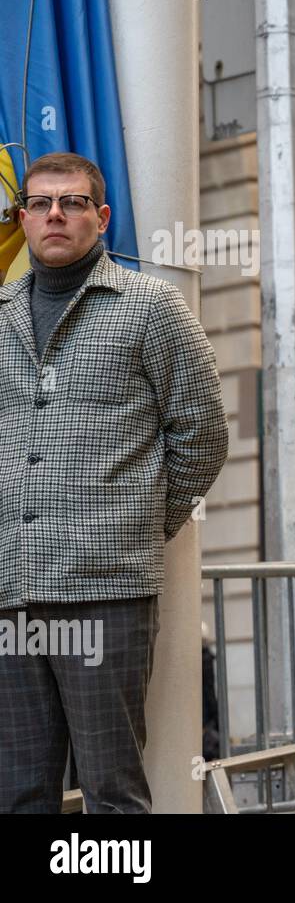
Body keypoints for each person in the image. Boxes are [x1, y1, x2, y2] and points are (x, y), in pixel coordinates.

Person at [0, 151, 229, 812]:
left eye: (71, 203)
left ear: (100, 218)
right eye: (40, 204)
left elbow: (202, 435)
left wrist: (134, 523)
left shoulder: (152, 307)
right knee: (18, 792)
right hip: (9, 589)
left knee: (111, 788)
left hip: (104, 588)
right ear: (23, 218)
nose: (54, 215)